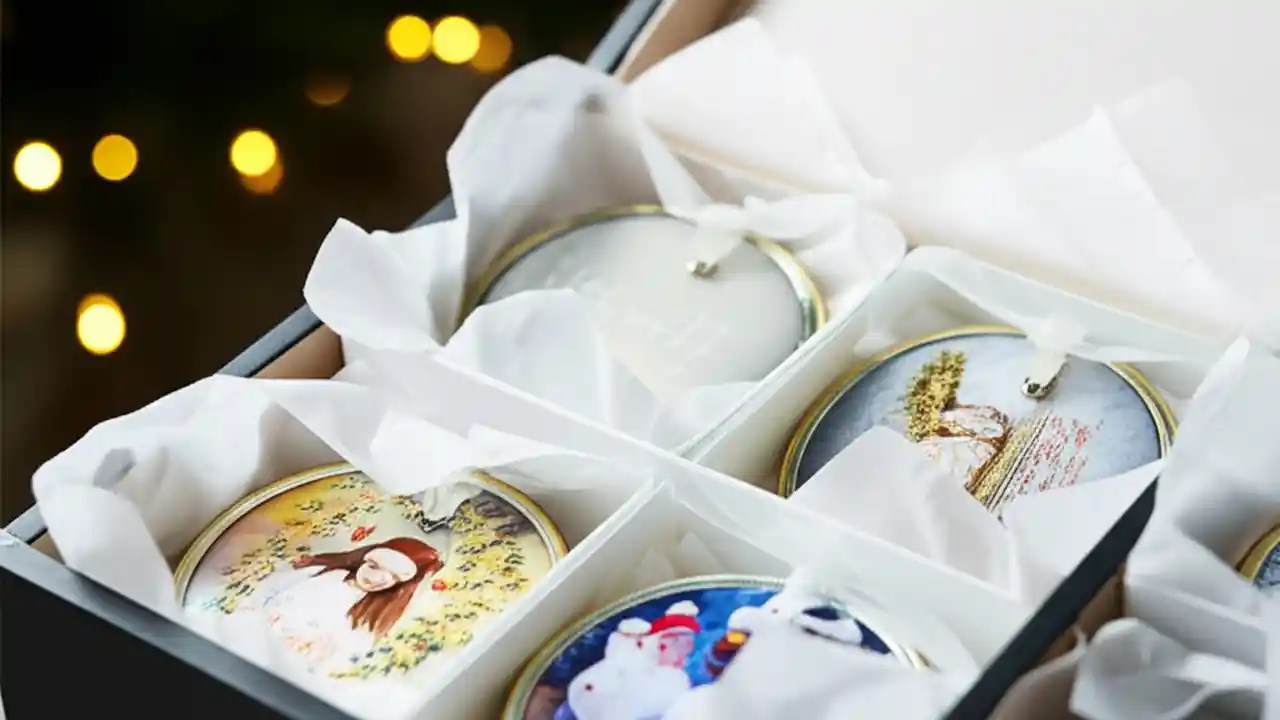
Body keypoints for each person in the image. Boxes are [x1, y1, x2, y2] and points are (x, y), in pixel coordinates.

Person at [258, 537, 443, 672]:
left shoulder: (371, 615)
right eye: (373, 567)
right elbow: (274, 593)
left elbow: (353, 651)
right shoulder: (326, 574)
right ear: (365, 560)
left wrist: (319, 646)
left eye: (391, 578)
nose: (374, 579)